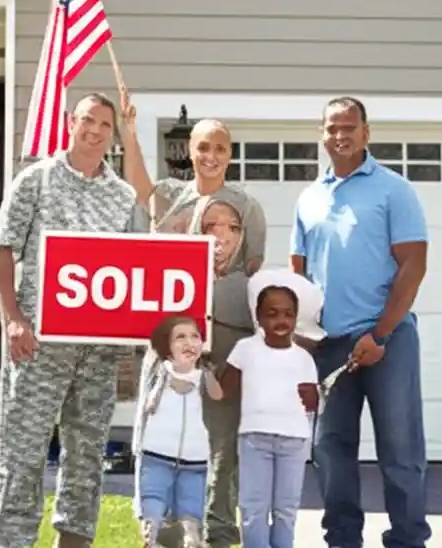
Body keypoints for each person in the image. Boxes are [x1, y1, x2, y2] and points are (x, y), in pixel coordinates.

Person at [0, 93, 139, 548]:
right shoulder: (35, 181)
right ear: (71, 123)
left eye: (104, 125)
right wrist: (12, 318)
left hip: (98, 351)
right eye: (87, 121)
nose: (94, 131)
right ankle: (11, 541)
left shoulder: (123, 196)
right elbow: (0, 249)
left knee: (87, 454)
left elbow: (136, 266)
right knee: (22, 452)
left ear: (113, 135)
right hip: (36, 343)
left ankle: (74, 541)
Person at [118, 90, 266, 548]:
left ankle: (220, 529)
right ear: (191, 151)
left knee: (221, 438)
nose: (211, 155)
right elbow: (139, 185)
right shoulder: (170, 197)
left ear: (230, 155)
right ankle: (160, 529)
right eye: (203, 146)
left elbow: (253, 270)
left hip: (225, 335)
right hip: (172, 335)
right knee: (159, 428)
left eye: (220, 148)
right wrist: (128, 129)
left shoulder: (246, 206)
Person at [290, 96, 431, 548]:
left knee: (400, 449)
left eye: (349, 127)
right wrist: (305, 338)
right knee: (329, 450)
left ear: (366, 133)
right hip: (330, 345)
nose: (340, 135)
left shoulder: (394, 190)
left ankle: (408, 538)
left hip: (389, 340)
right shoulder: (309, 198)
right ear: (322, 133)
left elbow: (413, 265)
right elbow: (298, 273)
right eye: (332, 128)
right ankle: (343, 539)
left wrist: (381, 333)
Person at [220, 272, 322, 548]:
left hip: (294, 440)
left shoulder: (303, 358)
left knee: (286, 509)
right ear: (259, 317)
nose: (281, 321)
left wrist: (316, 396)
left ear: (296, 317)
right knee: (253, 508)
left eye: (288, 314)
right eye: (272, 314)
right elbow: (223, 390)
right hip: (254, 439)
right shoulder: (245, 349)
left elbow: (312, 406)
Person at [132, 315, 225, 548]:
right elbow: (150, 405)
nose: (189, 342)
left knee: (191, 500)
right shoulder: (163, 371)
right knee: (153, 494)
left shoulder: (201, 375)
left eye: (195, 337)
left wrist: (209, 373)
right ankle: (150, 531)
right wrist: (164, 380)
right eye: (180, 337)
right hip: (157, 450)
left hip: (194, 454)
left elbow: (218, 395)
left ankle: (191, 535)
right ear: (168, 348)